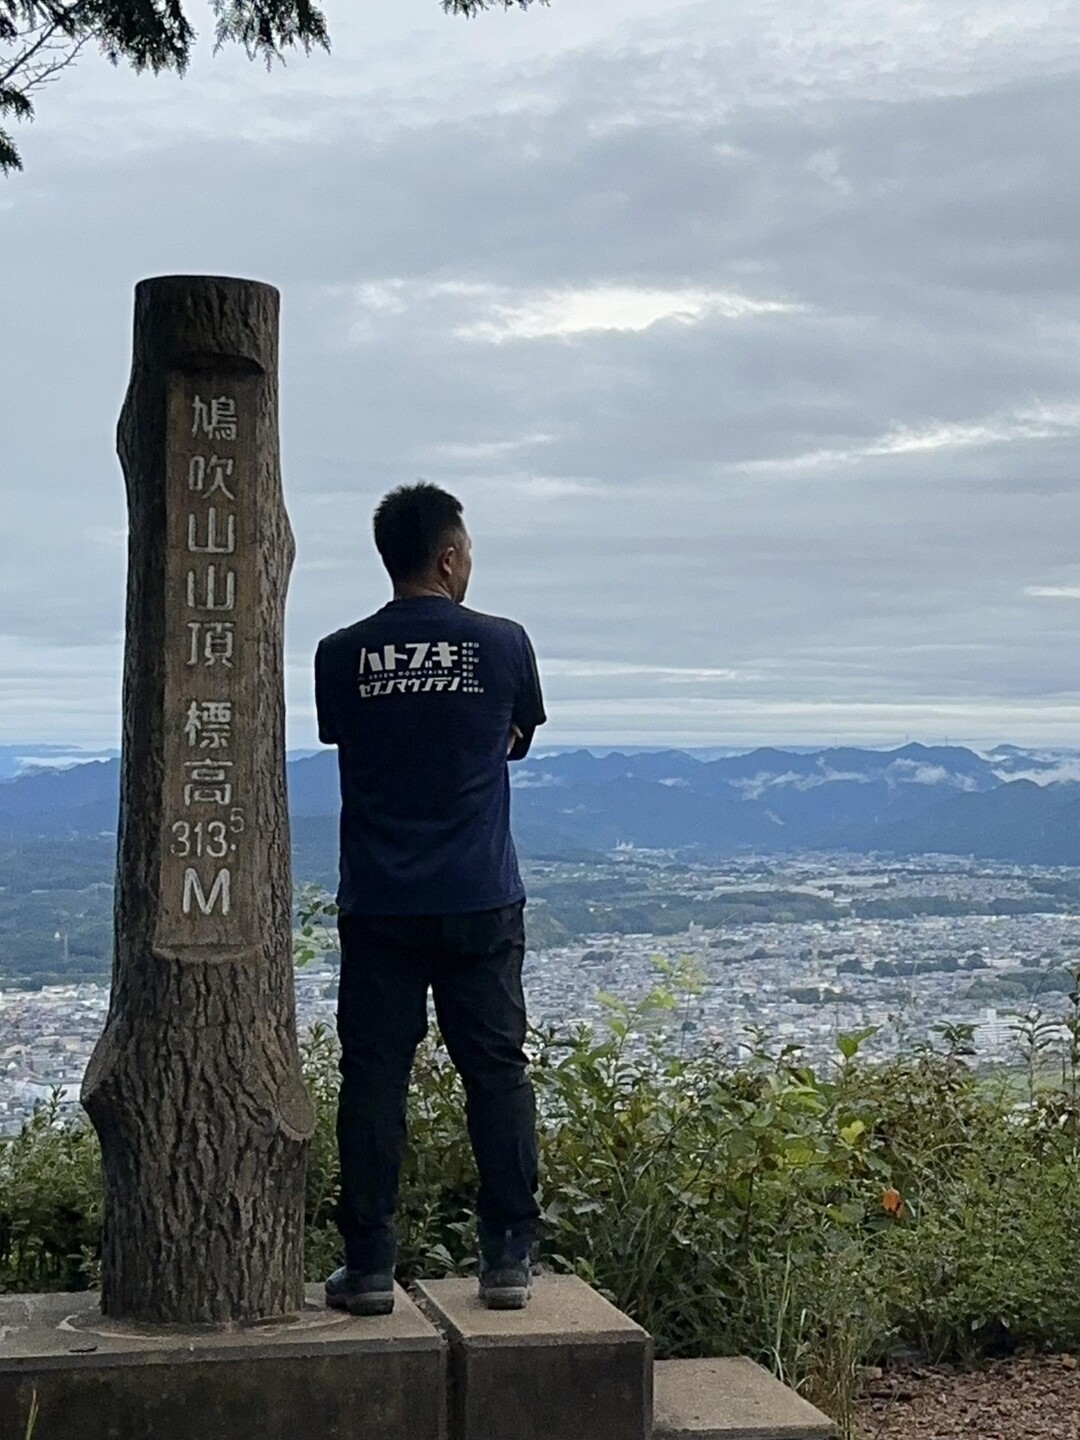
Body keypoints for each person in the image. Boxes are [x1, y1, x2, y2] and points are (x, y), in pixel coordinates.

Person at [315, 482, 546, 1317]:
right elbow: (511, 739)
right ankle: (509, 1257)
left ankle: (370, 1264)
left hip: (379, 901)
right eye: (469, 550)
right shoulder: (504, 644)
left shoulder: (341, 653)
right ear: (449, 558)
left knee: (374, 1078)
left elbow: (346, 737)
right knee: (497, 1075)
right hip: (480, 896)